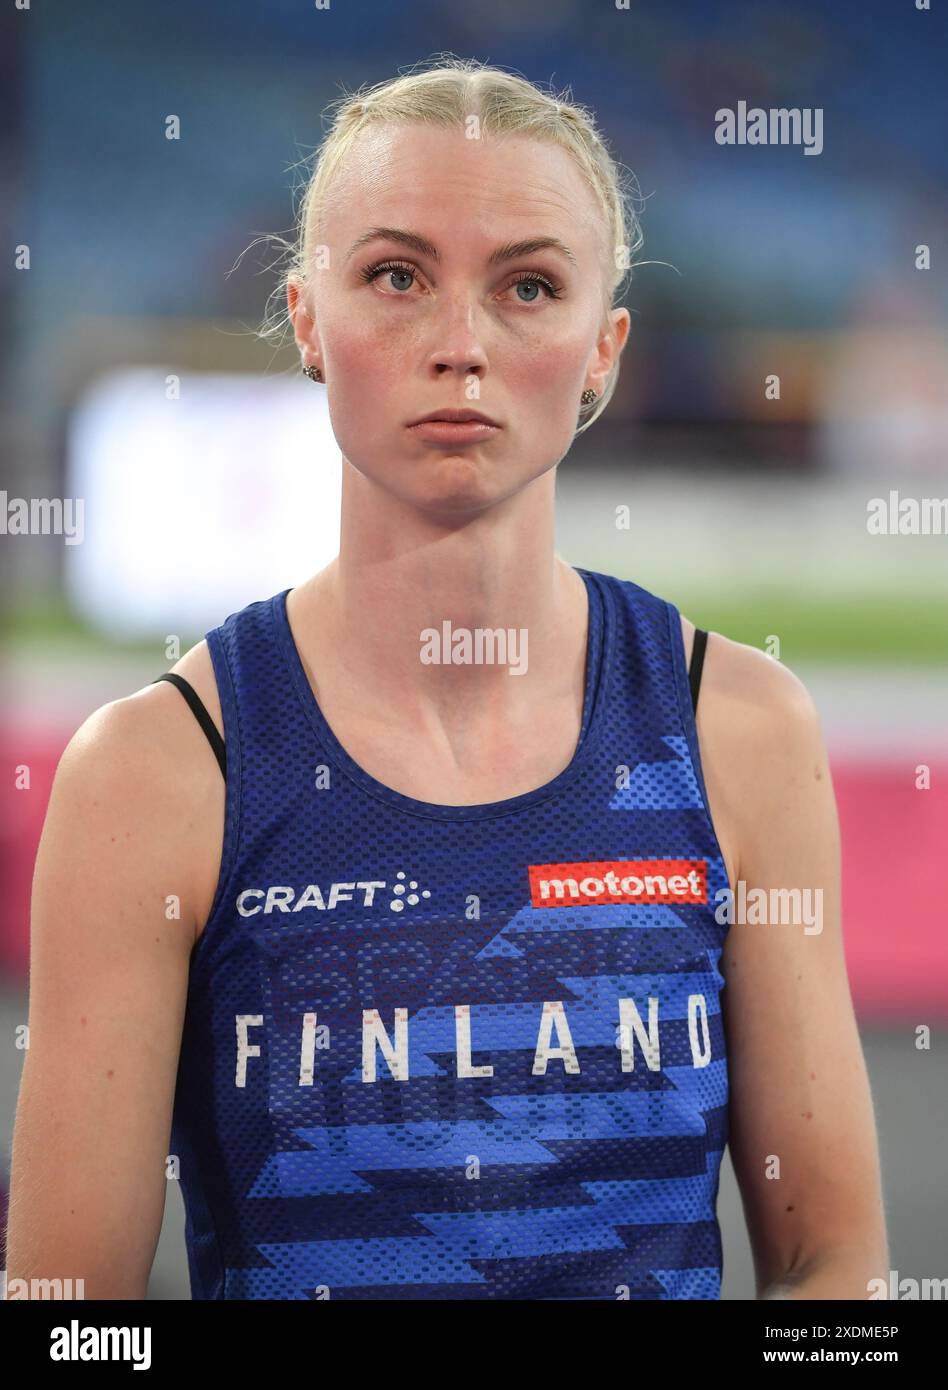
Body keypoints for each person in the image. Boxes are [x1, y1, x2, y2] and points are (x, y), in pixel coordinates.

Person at [5, 57, 887, 1301]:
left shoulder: (735, 730)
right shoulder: (160, 773)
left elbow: (835, 1269)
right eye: (396, 277)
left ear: (604, 350)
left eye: (528, 286)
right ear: (306, 318)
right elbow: (69, 1324)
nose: (461, 347)